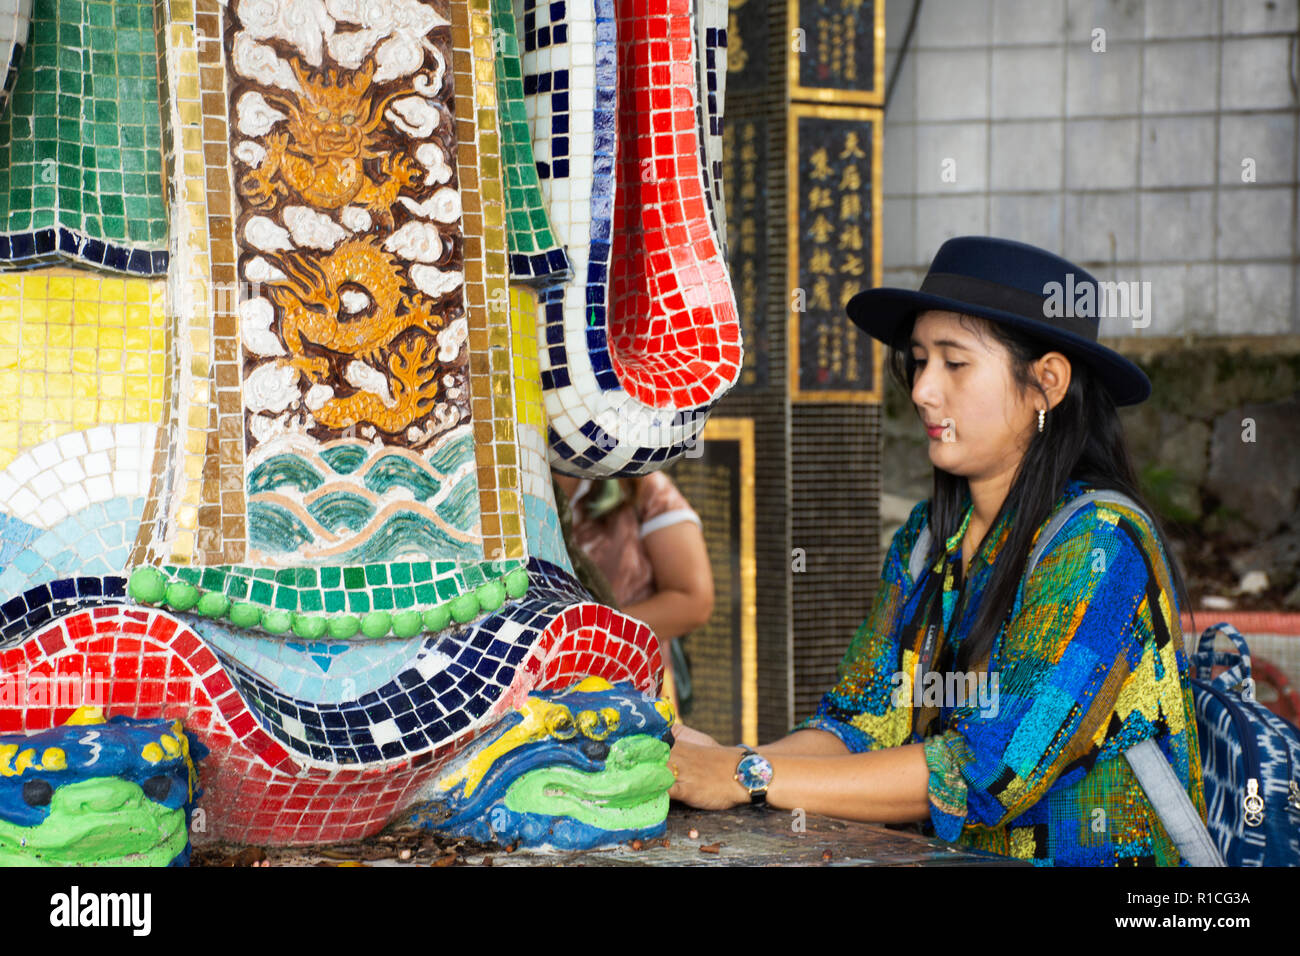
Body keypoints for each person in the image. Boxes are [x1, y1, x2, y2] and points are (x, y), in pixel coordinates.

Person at [667, 236, 1209, 866]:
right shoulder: (927, 540)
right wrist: (713, 763)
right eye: (920, 361)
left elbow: (986, 770)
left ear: (1047, 383)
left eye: (954, 364)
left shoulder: (1102, 547)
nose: (924, 390)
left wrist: (743, 775)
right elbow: (861, 721)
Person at [552, 470, 714, 715]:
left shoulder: (643, 485)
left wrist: (587, 635)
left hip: (633, 696)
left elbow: (694, 601)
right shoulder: (506, 481)